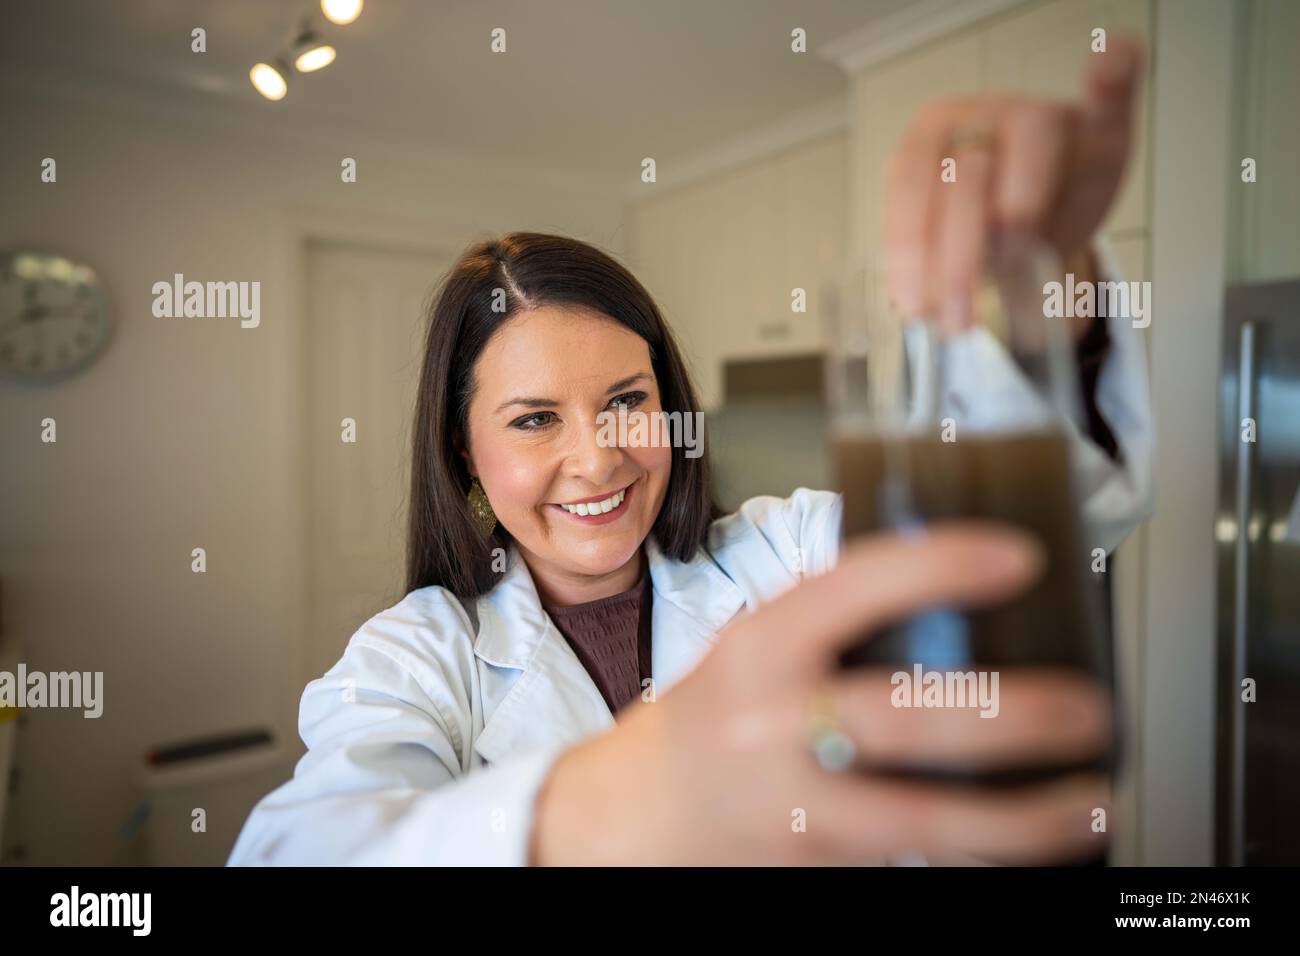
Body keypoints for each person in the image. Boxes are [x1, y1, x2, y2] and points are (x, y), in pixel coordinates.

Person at [228, 39, 1152, 866]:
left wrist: (1028, 308)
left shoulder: (783, 553)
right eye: (534, 419)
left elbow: (1000, 545)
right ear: (464, 455)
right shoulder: (416, 660)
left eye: (628, 401)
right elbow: (299, 848)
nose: (598, 460)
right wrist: (621, 803)